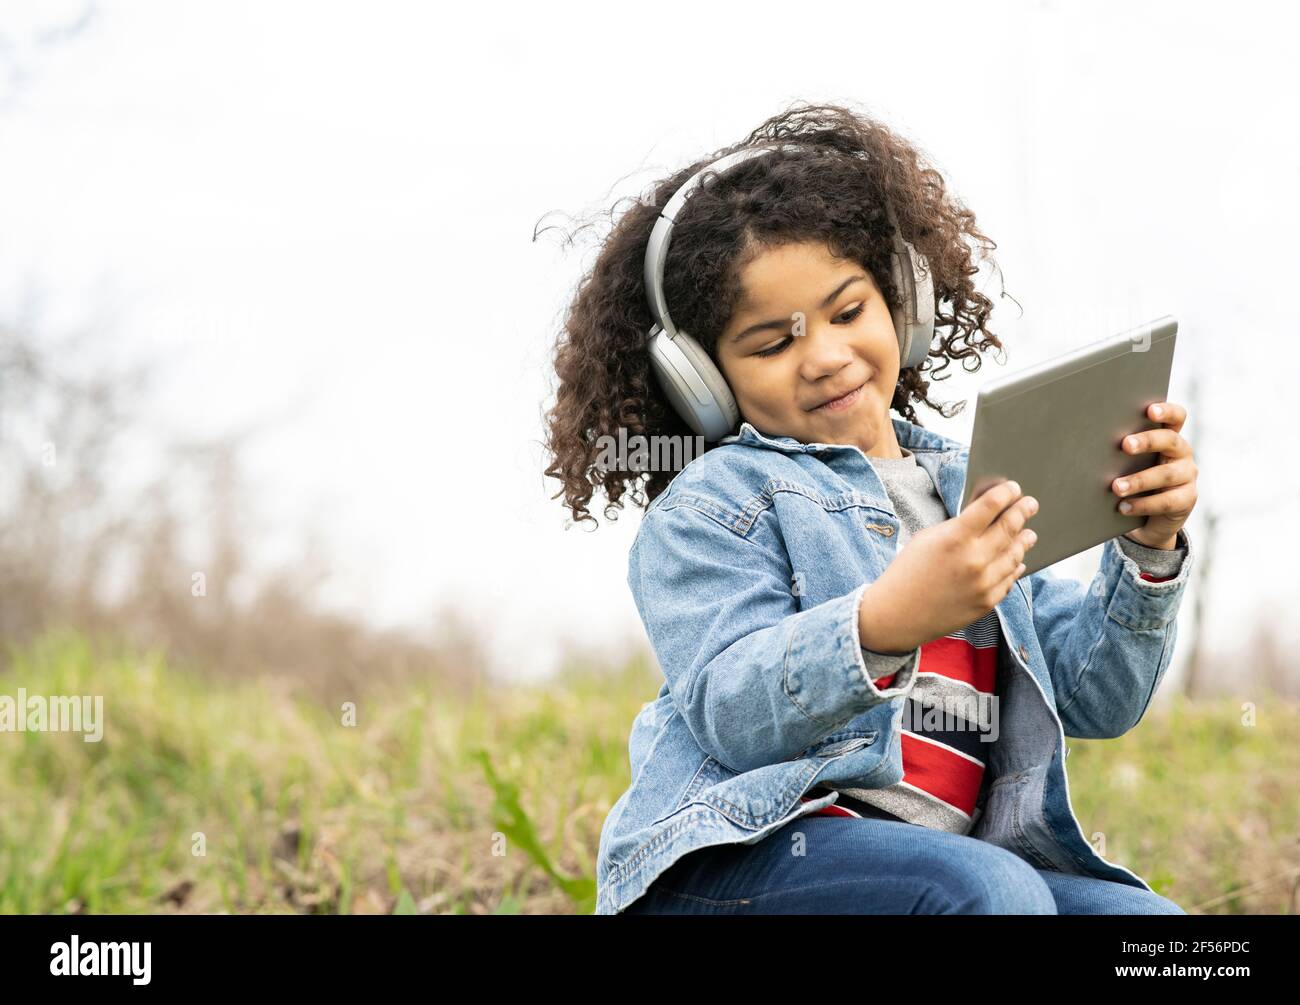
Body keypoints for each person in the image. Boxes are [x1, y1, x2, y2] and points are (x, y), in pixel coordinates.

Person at [542, 102, 1197, 915]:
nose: (824, 356)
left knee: (1154, 927)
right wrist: (882, 621)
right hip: (740, 867)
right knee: (991, 888)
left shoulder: (969, 487)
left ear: (903, 303)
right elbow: (730, 706)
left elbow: (1097, 696)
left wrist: (1148, 550)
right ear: (703, 383)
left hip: (941, 873)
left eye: (848, 311)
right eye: (773, 343)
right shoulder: (712, 504)